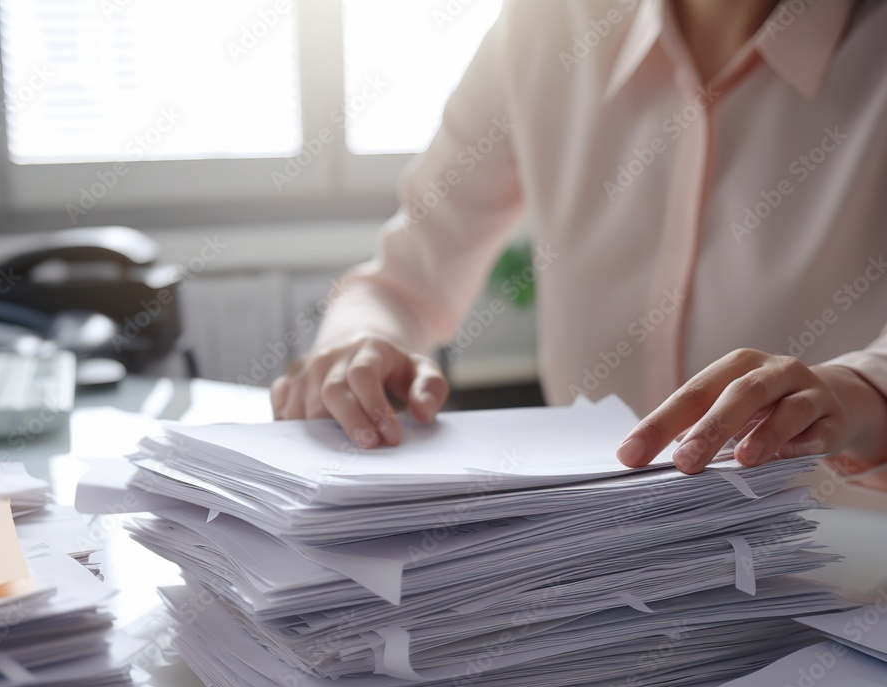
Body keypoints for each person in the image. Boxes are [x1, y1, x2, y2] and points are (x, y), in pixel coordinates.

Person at [270, 0, 887, 485]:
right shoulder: (542, 24)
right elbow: (401, 282)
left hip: (844, 551)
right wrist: (356, 344)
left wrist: (864, 389)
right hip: (589, 553)